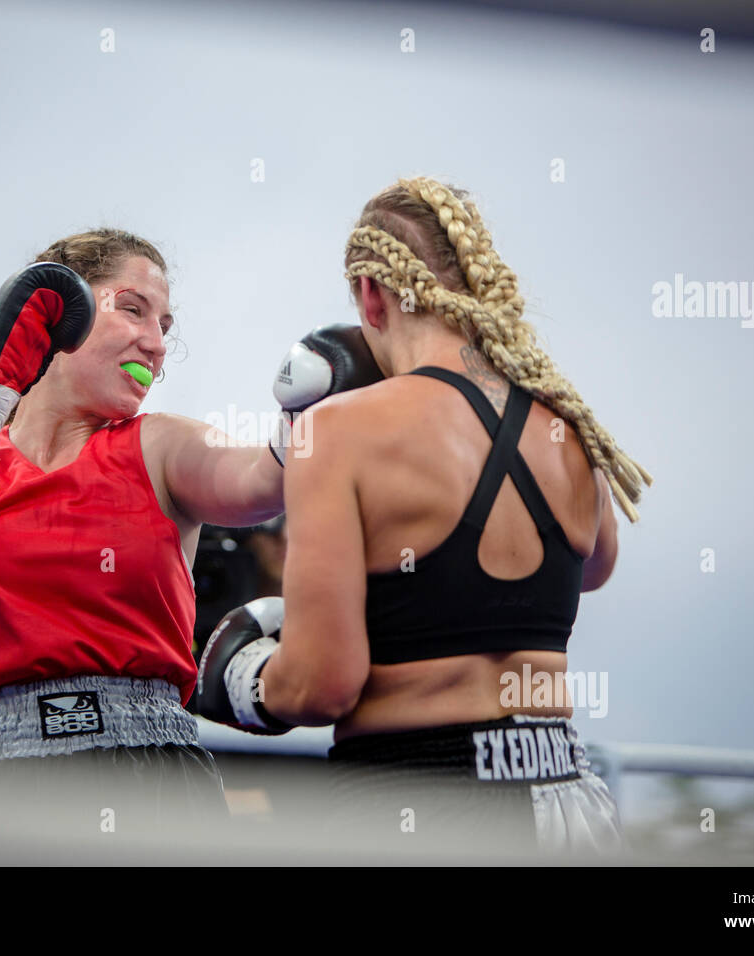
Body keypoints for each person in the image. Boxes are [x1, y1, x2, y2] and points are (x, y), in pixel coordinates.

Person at [0, 229, 377, 837]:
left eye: (165, 326)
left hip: (147, 779)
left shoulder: (160, 446)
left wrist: (310, 413)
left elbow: (261, 479)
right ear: (57, 313)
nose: (156, 344)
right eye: (133, 310)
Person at [196, 178, 653, 856]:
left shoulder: (336, 431)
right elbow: (593, 567)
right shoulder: (567, 424)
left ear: (370, 295)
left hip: (419, 803)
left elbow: (322, 686)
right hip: (568, 799)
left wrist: (243, 675)